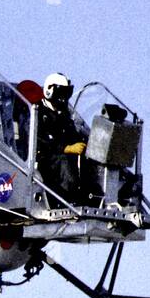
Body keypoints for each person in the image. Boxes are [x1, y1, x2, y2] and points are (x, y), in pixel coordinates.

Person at [35, 72, 98, 203]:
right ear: (50, 91)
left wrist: (85, 143)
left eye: (66, 94)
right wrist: (66, 148)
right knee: (63, 161)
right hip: (44, 157)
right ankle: (66, 200)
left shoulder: (64, 115)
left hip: (62, 154)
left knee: (89, 160)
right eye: (61, 93)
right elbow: (39, 139)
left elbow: (73, 134)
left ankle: (94, 197)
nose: (63, 98)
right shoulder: (37, 112)